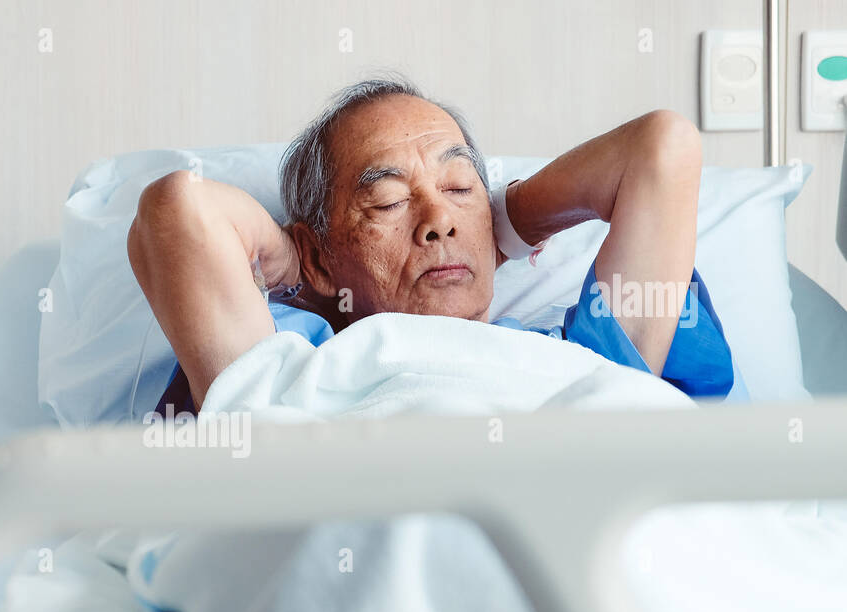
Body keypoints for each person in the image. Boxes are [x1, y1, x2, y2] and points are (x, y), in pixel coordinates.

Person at [126, 72, 746, 416]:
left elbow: (664, 148)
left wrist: (502, 224)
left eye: (458, 187)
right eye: (389, 201)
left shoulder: (593, 355)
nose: (438, 221)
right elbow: (177, 208)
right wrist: (298, 263)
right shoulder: (292, 364)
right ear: (321, 255)